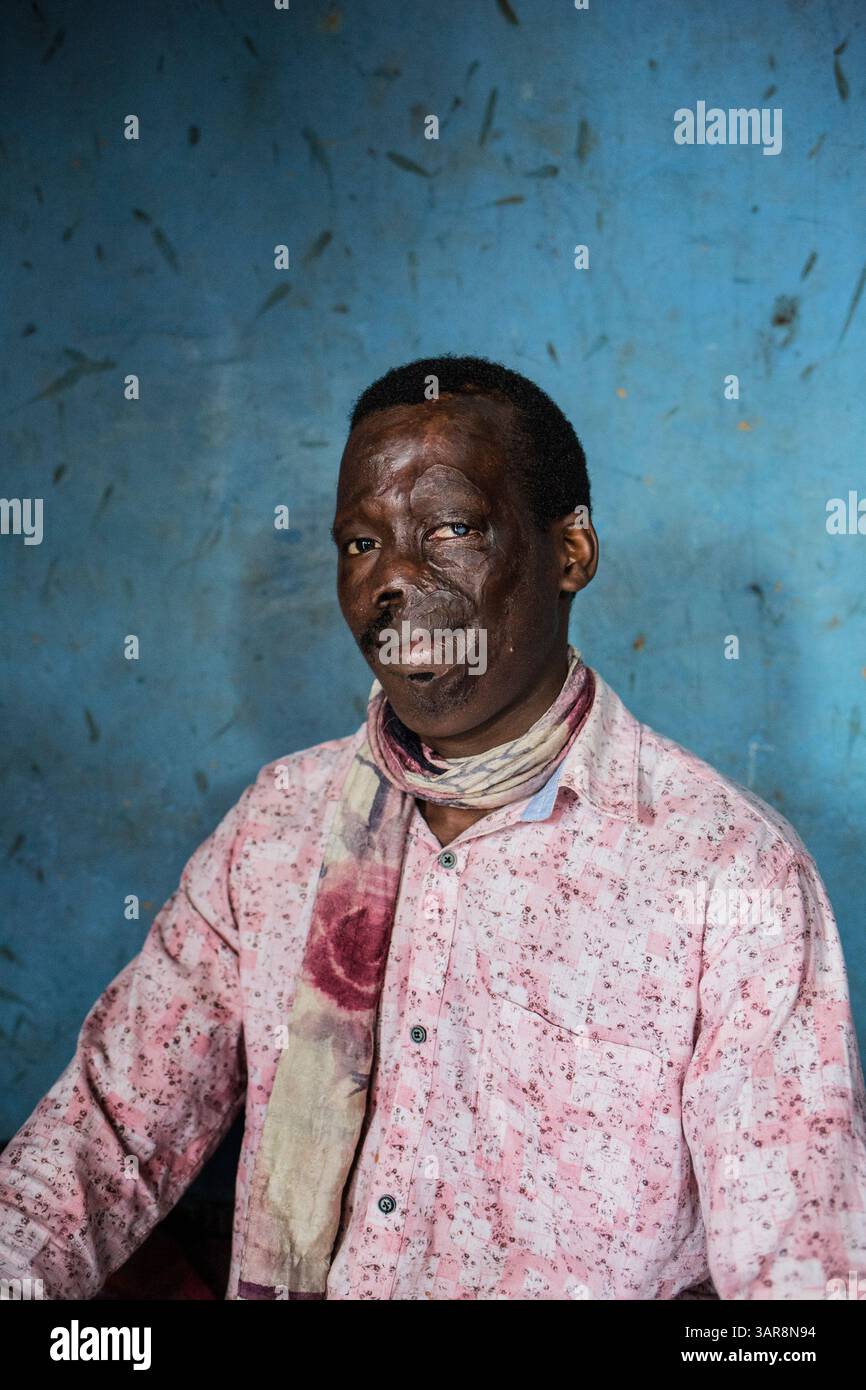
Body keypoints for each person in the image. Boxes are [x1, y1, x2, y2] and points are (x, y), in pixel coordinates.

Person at [1, 354, 865, 1301]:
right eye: (362, 544)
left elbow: (801, 1276)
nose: (394, 582)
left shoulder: (726, 871)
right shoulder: (280, 827)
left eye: (452, 529)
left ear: (571, 552)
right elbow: (109, 1132)